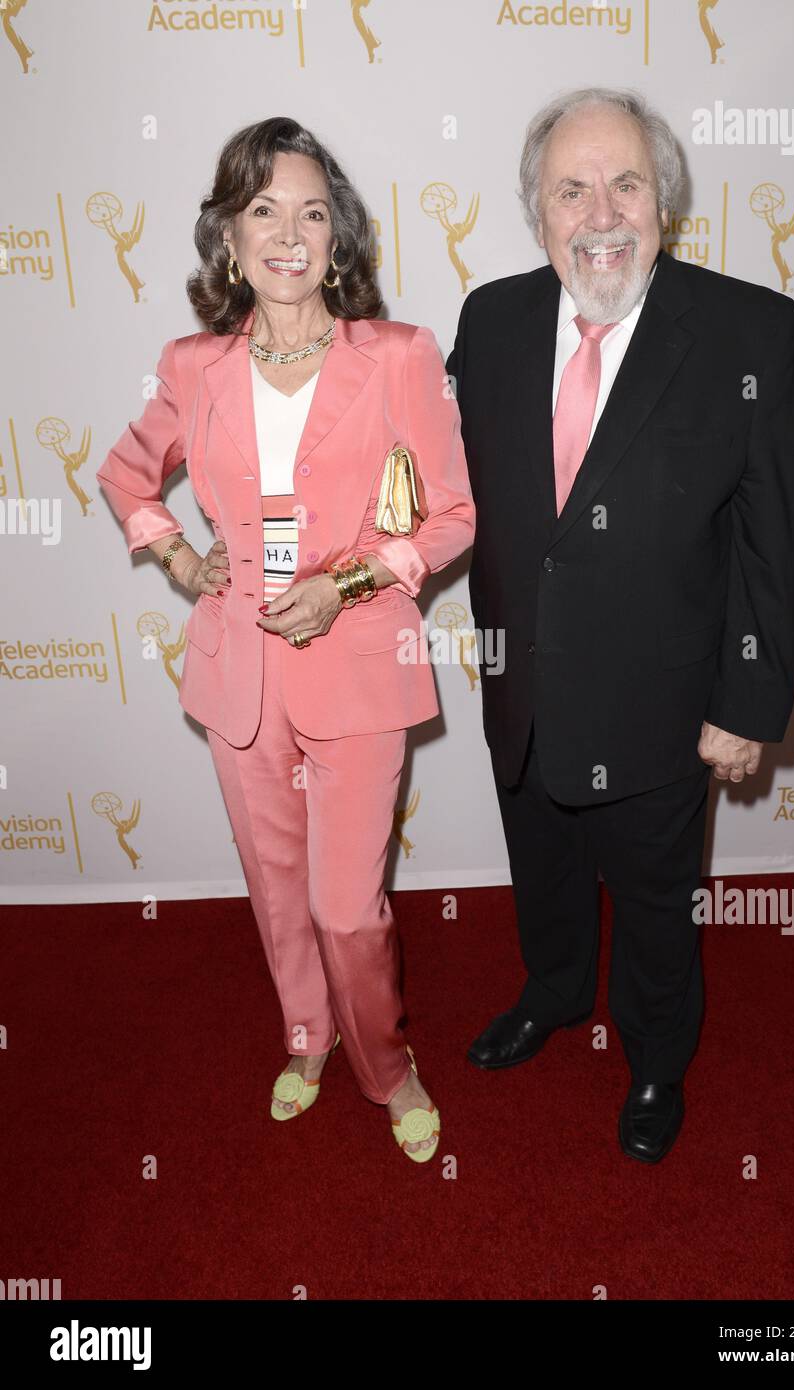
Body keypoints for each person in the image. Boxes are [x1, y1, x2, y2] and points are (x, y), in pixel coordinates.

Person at [97, 117, 475, 1164]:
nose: (289, 231)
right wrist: (181, 560)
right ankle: (305, 1038)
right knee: (276, 892)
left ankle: (387, 1065)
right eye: (264, 208)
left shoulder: (397, 357)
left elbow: (451, 515)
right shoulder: (193, 365)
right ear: (229, 236)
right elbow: (126, 476)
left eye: (312, 210)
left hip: (358, 667)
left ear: (340, 238)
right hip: (238, 676)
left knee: (347, 907)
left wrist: (347, 580)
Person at [447, 88, 794, 1163]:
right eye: (572, 188)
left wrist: (748, 703)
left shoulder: (751, 330)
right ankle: (555, 993)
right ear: (538, 210)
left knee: (658, 904)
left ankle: (656, 1058)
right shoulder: (492, 319)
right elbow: (446, 490)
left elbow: (774, 540)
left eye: (625, 183)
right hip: (523, 688)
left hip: (664, 702)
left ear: (665, 200)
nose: (601, 211)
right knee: (543, 872)